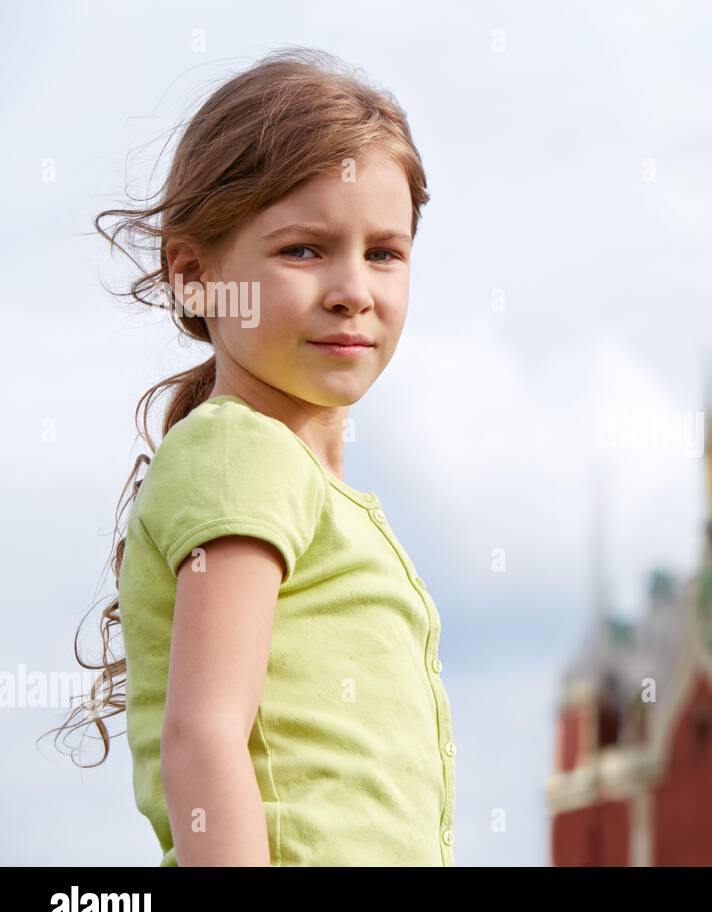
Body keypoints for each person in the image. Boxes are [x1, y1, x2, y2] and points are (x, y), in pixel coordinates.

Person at [48, 48, 456, 866]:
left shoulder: (304, 481)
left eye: (384, 252)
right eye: (304, 250)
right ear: (195, 276)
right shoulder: (242, 450)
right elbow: (203, 736)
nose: (353, 288)